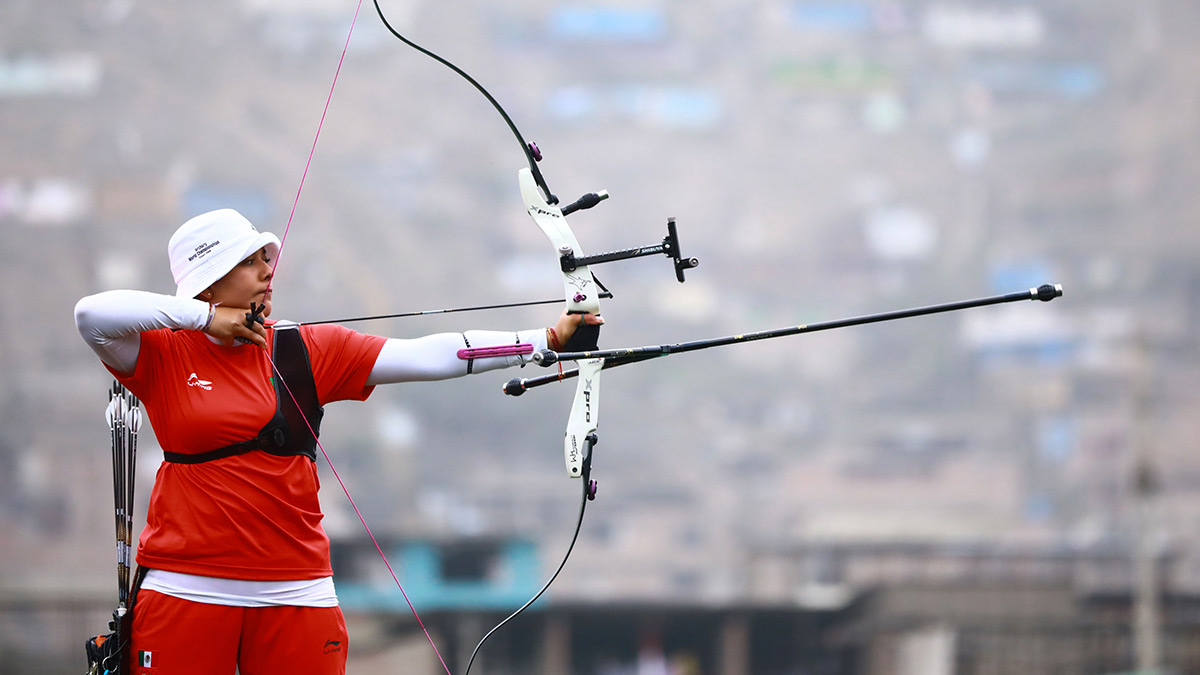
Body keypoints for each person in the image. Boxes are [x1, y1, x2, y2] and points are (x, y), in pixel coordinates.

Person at [74, 208, 600, 675]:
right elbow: (90, 315)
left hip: (297, 588)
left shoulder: (303, 349)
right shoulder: (161, 352)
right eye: (249, 262)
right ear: (208, 283)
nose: (267, 270)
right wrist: (204, 318)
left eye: (265, 258)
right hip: (185, 586)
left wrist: (544, 341)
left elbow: (431, 354)